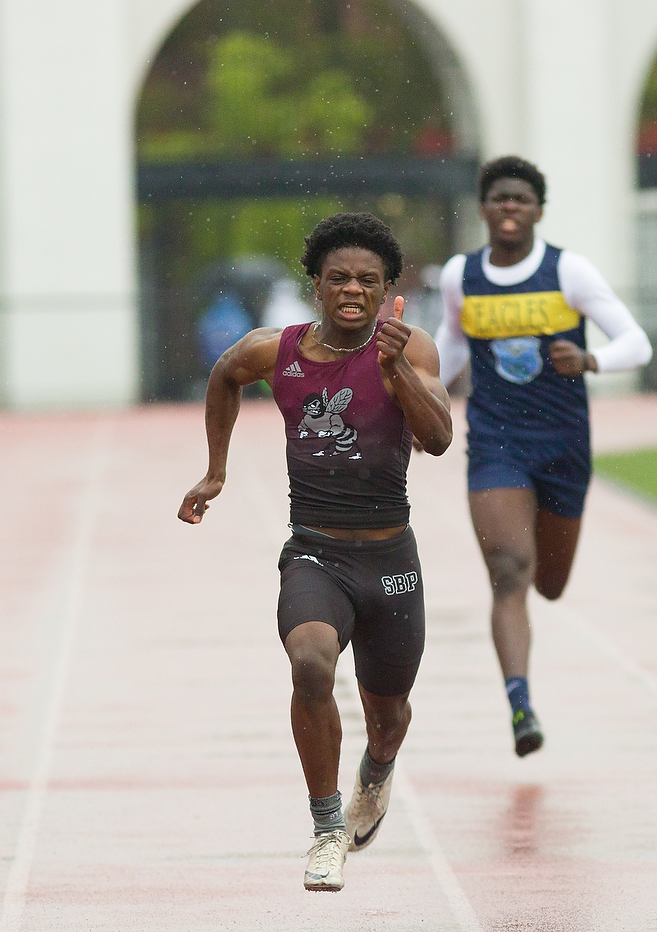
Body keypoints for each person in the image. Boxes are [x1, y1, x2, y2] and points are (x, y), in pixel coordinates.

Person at [178, 213, 451, 891]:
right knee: (309, 665)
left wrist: (396, 372)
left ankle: (377, 772)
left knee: (387, 719)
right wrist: (216, 469)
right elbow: (223, 374)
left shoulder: (410, 348)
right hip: (317, 554)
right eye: (338, 278)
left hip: (390, 564)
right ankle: (326, 826)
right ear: (317, 286)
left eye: (367, 279)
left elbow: (440, 437)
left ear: (389, 286)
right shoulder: (278, 350)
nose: (352, 289)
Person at [434, 156, 652, 756]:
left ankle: (523, 682)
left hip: (563, 445)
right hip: (496, 441)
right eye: (499, 198)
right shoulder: (462, 276)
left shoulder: (568, 271)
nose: (510, 209)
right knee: (509, 569)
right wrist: (420, 392)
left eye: (521, 200)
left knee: (550, 584)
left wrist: (589, 361)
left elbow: (637, 342)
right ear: (483, 208)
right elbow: (451, 345)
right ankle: (520, 705)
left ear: (538, 211)